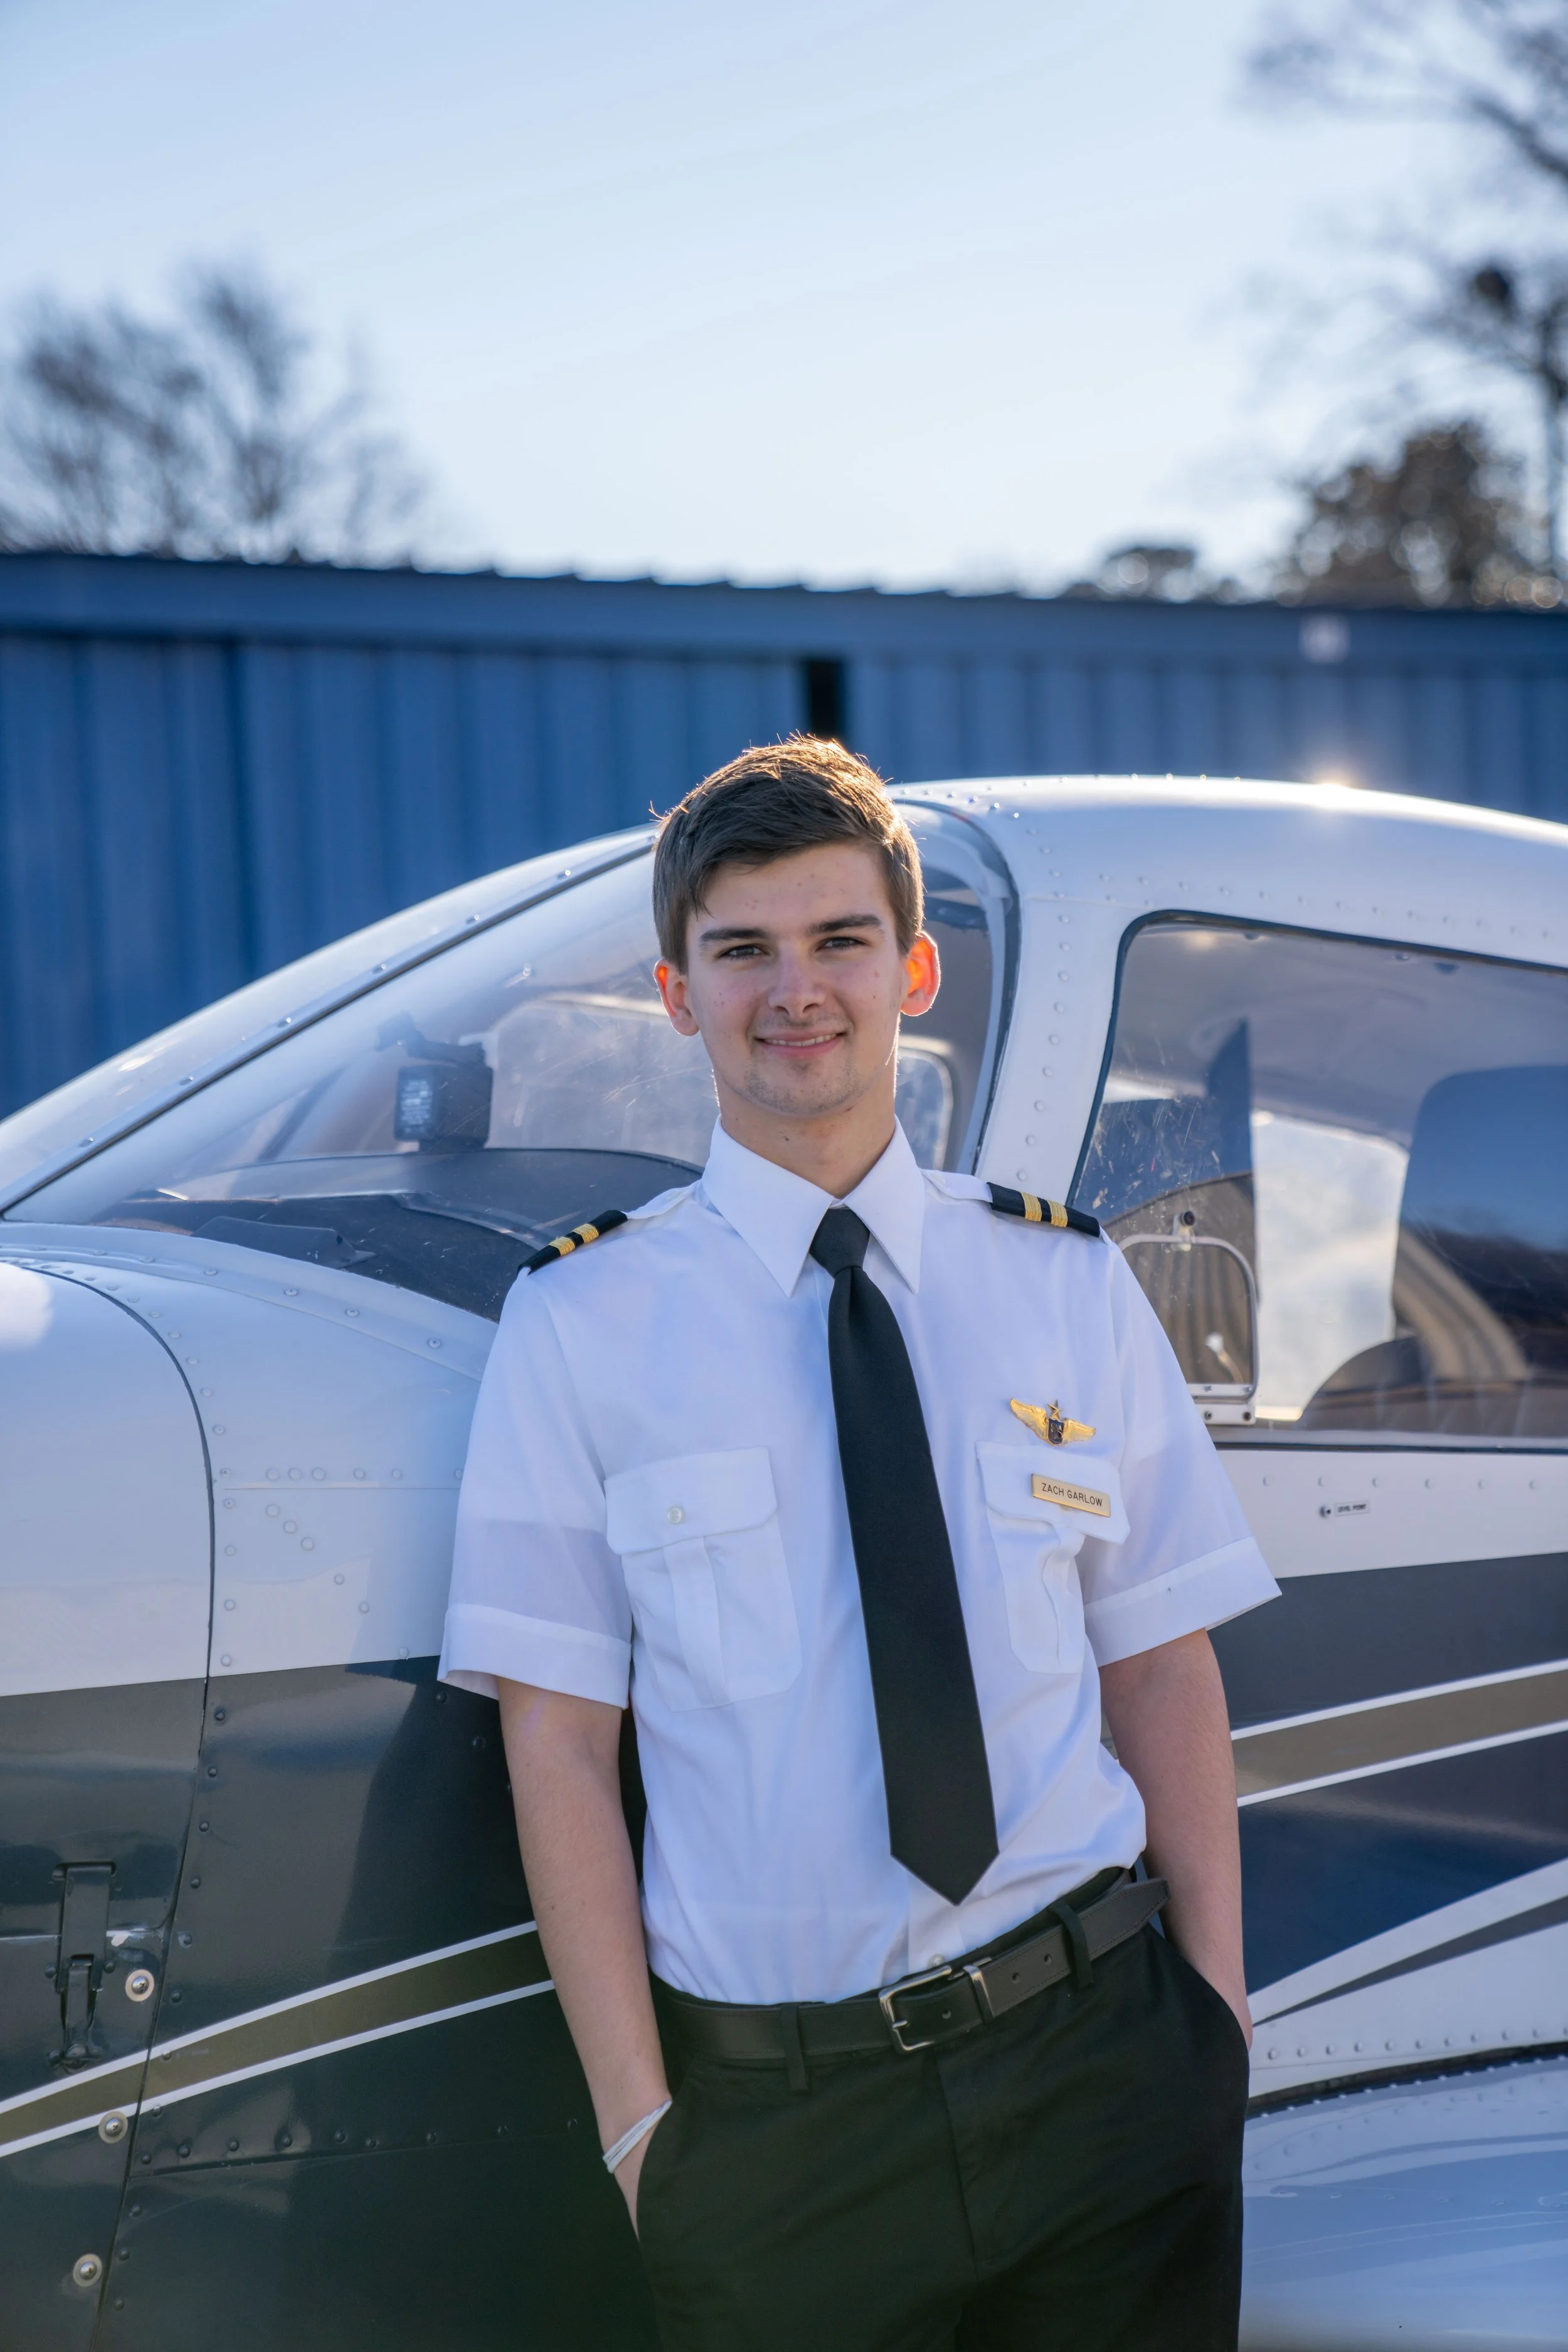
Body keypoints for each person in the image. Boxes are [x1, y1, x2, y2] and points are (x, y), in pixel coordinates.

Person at [439, 738, 1279, 2351]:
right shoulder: (578, 1325)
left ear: (913, 968)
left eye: (835, 940)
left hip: (1101, 2068)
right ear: (678, 993)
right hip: (779, 2135)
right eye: (740, 949)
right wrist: (639, 2133)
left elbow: (1161, 1661)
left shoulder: (1062, 1283)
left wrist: (1212, 2026)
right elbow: (557, 1749)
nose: (792, 990)